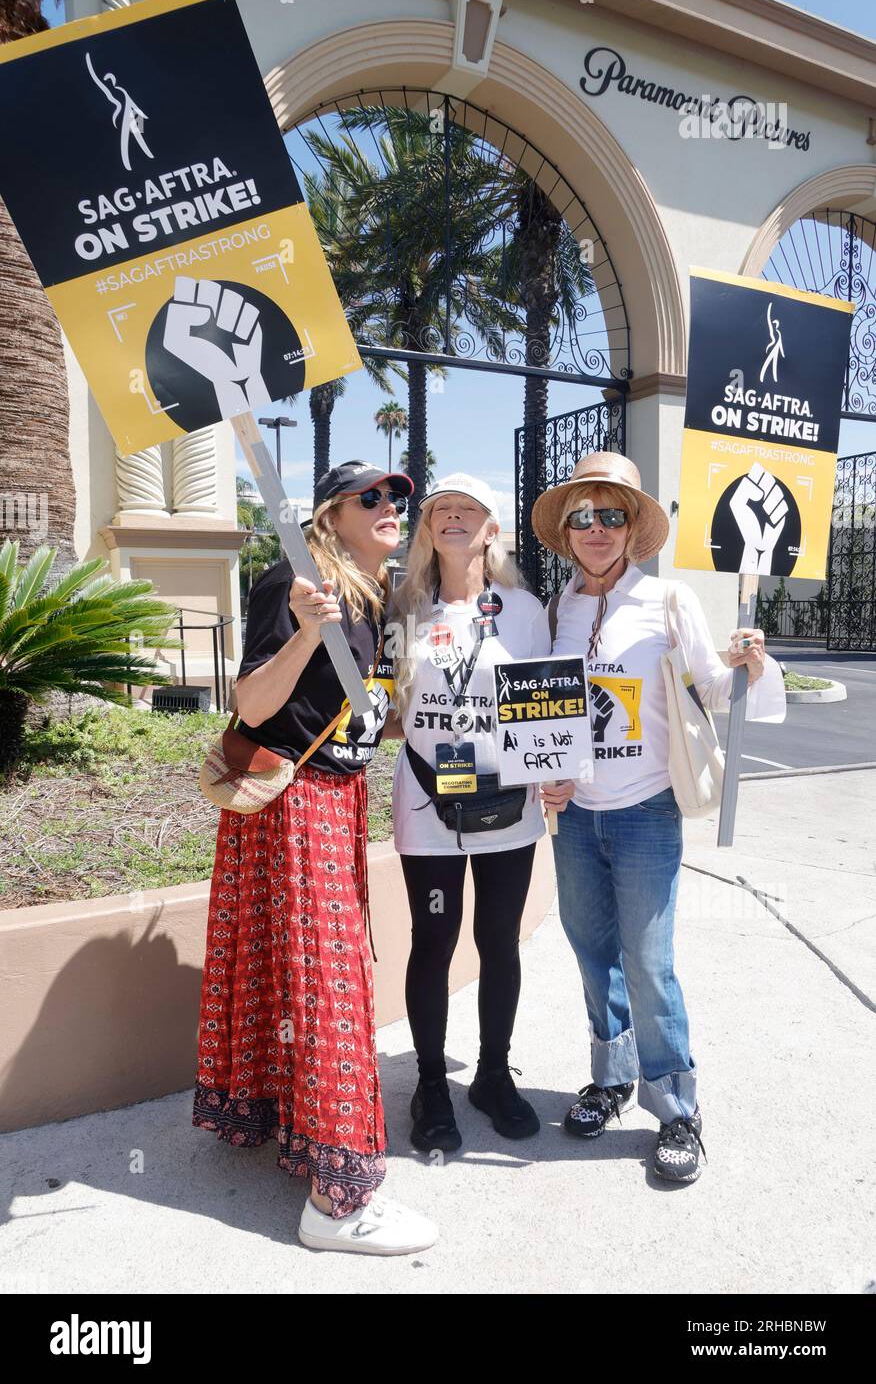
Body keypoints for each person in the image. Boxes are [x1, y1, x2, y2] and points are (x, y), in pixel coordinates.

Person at [192, 460, 438, 1255]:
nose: (391, 506)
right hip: (294, 805)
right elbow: (253, 705)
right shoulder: (294, 584)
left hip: (334, 801)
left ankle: (275, 1117)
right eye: (371, 497)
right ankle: (338, 1202)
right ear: (331, 516)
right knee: (331, 985)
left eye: (398, 495)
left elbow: (367, 720)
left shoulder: (373, 600)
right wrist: (304, 631)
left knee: (296, 974)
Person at [532, 452, 785, 1183]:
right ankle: (612, 1079)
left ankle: (676, 1109)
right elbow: (541, 715)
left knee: (649, 962)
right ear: (568, 531)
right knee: (591, 954)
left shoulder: (669, 601)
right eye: (584, 516)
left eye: (612, 514)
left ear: (633, 526)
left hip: (646, 813)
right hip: (577, 819)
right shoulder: (556, 610)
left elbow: (714, 686)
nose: (597, 528)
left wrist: (749, 661)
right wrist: (548, 779)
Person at [390, 474, 551, 1153]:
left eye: (469, 510)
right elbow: (387, 711)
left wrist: (555, 771)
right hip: (429, 805)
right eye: (440, 510)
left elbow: (548, 706)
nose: (453, 517)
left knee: (499, 938)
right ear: (428, 530)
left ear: (492, 529)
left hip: (508, 806)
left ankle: (490, 1074)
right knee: (434, 941)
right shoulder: (401, 609)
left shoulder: (525, 608)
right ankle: (431, 1085)